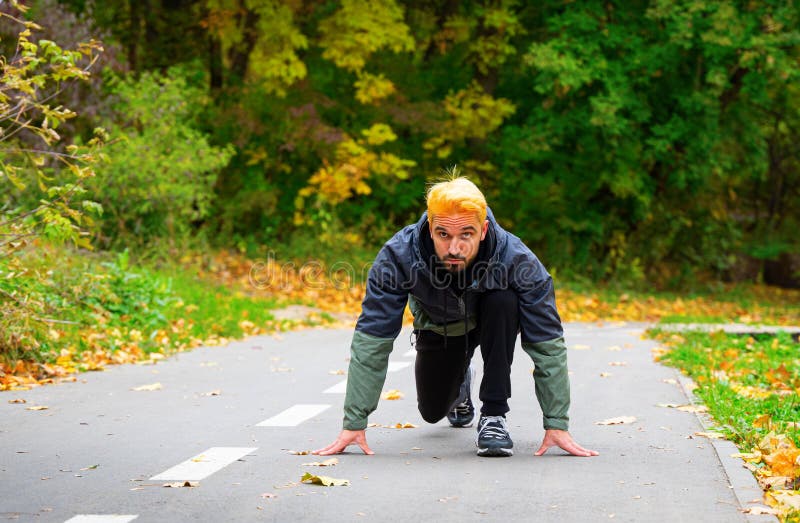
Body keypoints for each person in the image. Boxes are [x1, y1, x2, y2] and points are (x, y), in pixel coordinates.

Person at [314, 175, 598, 458]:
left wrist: (557, 423)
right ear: (430, 228)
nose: (454, 248)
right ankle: (461, 382)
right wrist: (354, 423)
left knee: (503, 299)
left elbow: (547, 346)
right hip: (440, 329)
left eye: (466, 234)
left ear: (484, 230)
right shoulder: (398, 257)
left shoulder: (517, 260)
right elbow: (373, 340)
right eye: (443, 235)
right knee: (432, 411)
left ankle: (494, 416)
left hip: (493, 321)